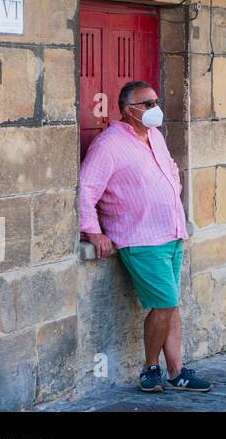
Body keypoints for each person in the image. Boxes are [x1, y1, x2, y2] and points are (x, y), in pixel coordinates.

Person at [79, 80, 212, 394]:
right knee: (165, 304)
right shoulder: (109, 144)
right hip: (140, 237)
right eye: (147, 104)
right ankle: (150, 369)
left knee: (172, 304)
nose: (155, 109)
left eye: (156, 101)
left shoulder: (155, 136)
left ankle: (177, 371)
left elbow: (167, 171)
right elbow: (85, 189)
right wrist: (94, 231)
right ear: (128, 110)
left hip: (171, 231)